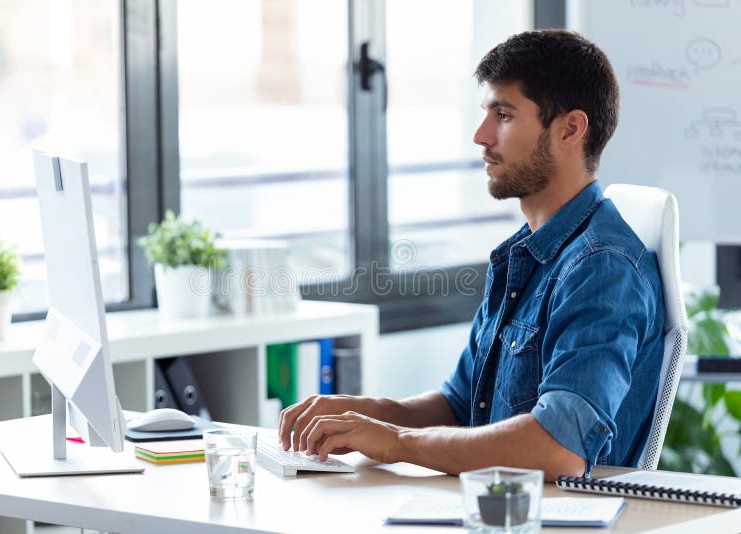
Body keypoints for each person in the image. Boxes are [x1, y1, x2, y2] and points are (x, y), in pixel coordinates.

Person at [278, 29, 664, 481]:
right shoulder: (525, 256)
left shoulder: (602, 266)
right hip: (497, 508)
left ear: (570, 129)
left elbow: (559, 449)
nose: (481, 136)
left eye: (503, 114)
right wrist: (363, 416)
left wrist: (396, 443)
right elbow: (462, 405)